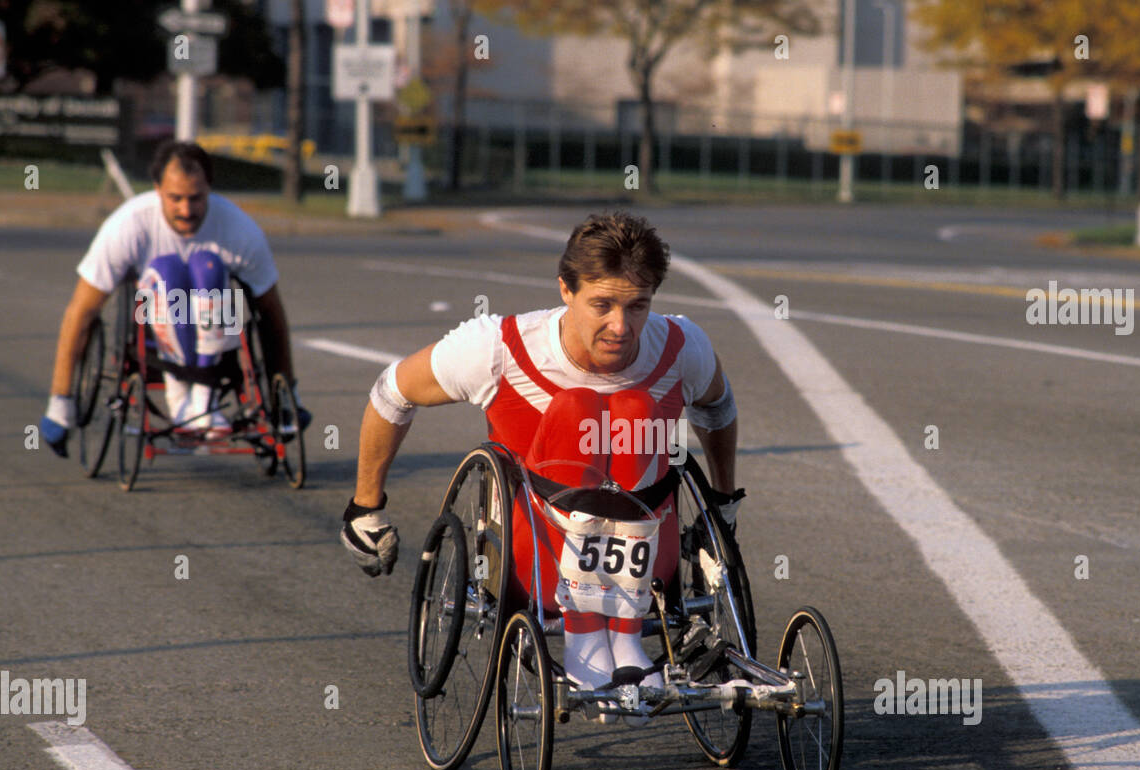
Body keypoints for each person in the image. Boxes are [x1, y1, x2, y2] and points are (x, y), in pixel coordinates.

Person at [340, 211, 743, 707]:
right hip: (534, 557)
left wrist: (722, 504)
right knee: (576, 406)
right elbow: (392, 392)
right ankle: (583, 637)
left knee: (636, 407)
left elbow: (719, 409)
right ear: (565, 290)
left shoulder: (680, 345)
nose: (621, 326)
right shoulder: (498, 347)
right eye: (602, 305)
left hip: (648, 569)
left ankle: (623, 636)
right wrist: (365, 506)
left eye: (638, 306)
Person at [39, 140, 308, 454]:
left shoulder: (240, 230)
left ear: (209, 188)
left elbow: (271, 314)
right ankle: (181, 399)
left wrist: (288, 394)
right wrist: (60, 402)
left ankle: (203, 401)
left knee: (207, 265)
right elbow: (81, 312)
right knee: (167, 269)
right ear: (157, 189)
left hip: (220, 330)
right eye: (175, 198)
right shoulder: (127, 226)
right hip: (155, 328)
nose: (186, 210)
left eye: (195, 198)